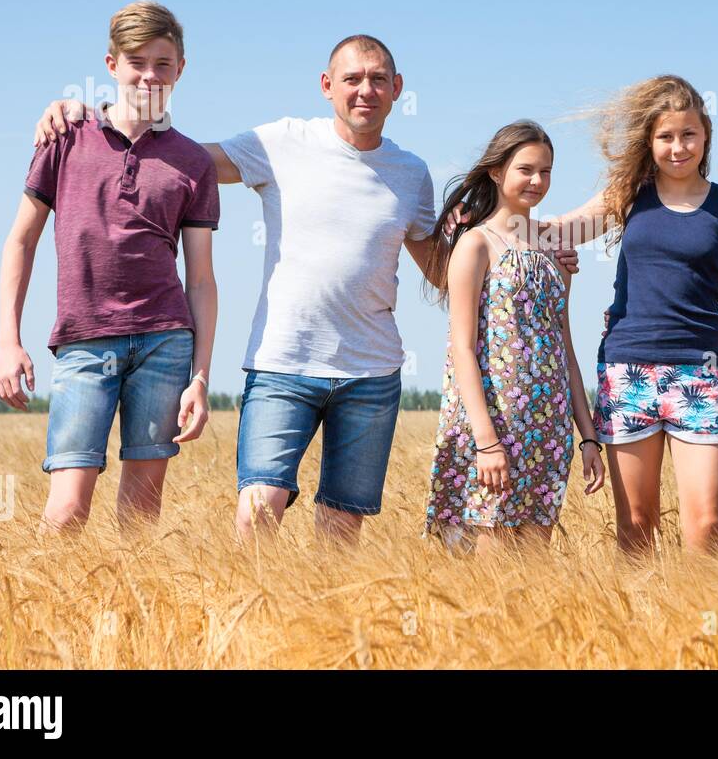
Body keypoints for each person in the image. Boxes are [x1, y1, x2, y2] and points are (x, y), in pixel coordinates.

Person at [33, 35, 579, 545]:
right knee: (258, 510)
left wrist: (533, 253)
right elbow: (181, 157)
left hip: (371, 373)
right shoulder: (281, 142)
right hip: (282, 363)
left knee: (340, 529)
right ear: (327, 85)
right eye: (352, 78)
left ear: (397, 89)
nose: (366, 90)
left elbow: (441, 271)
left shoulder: (411, 173)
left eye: (378, 79)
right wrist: (92, 117)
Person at [0, 0, 219, 533]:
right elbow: (20, 242)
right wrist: (9, 340)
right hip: (84, 339)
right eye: (136, 61)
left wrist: (201, 375)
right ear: (112, 65)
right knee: (66, 511)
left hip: (166, 343)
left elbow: (202, 278)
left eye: (163, 63)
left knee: (140, 517)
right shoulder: (65, 137)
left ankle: (128, 619)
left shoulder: (193, 162)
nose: (149, 75)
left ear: (180, 69)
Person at [539, 76, 718, 554]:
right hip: (627, 371)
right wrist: (489, 219)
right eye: (665, 136)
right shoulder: (627, 195)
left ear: (705, 135)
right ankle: (640, 630)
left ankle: (706, 626)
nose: (678, 147)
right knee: (636, 527)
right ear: (650, 141)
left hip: (700, 378)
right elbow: (560, 229)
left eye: (688, 134)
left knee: (706, 528)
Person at [422, 122, 604, 551]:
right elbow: (462, 348)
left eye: (545, 171)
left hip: (548, 429)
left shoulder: (555, 249)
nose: (537, 181)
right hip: (493, 427)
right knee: (491, 567)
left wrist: (588, 436)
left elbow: (565, 351)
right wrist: (486, 442)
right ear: (496, 172)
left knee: (534, 575)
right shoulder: (475, 245)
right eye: (525, 169)